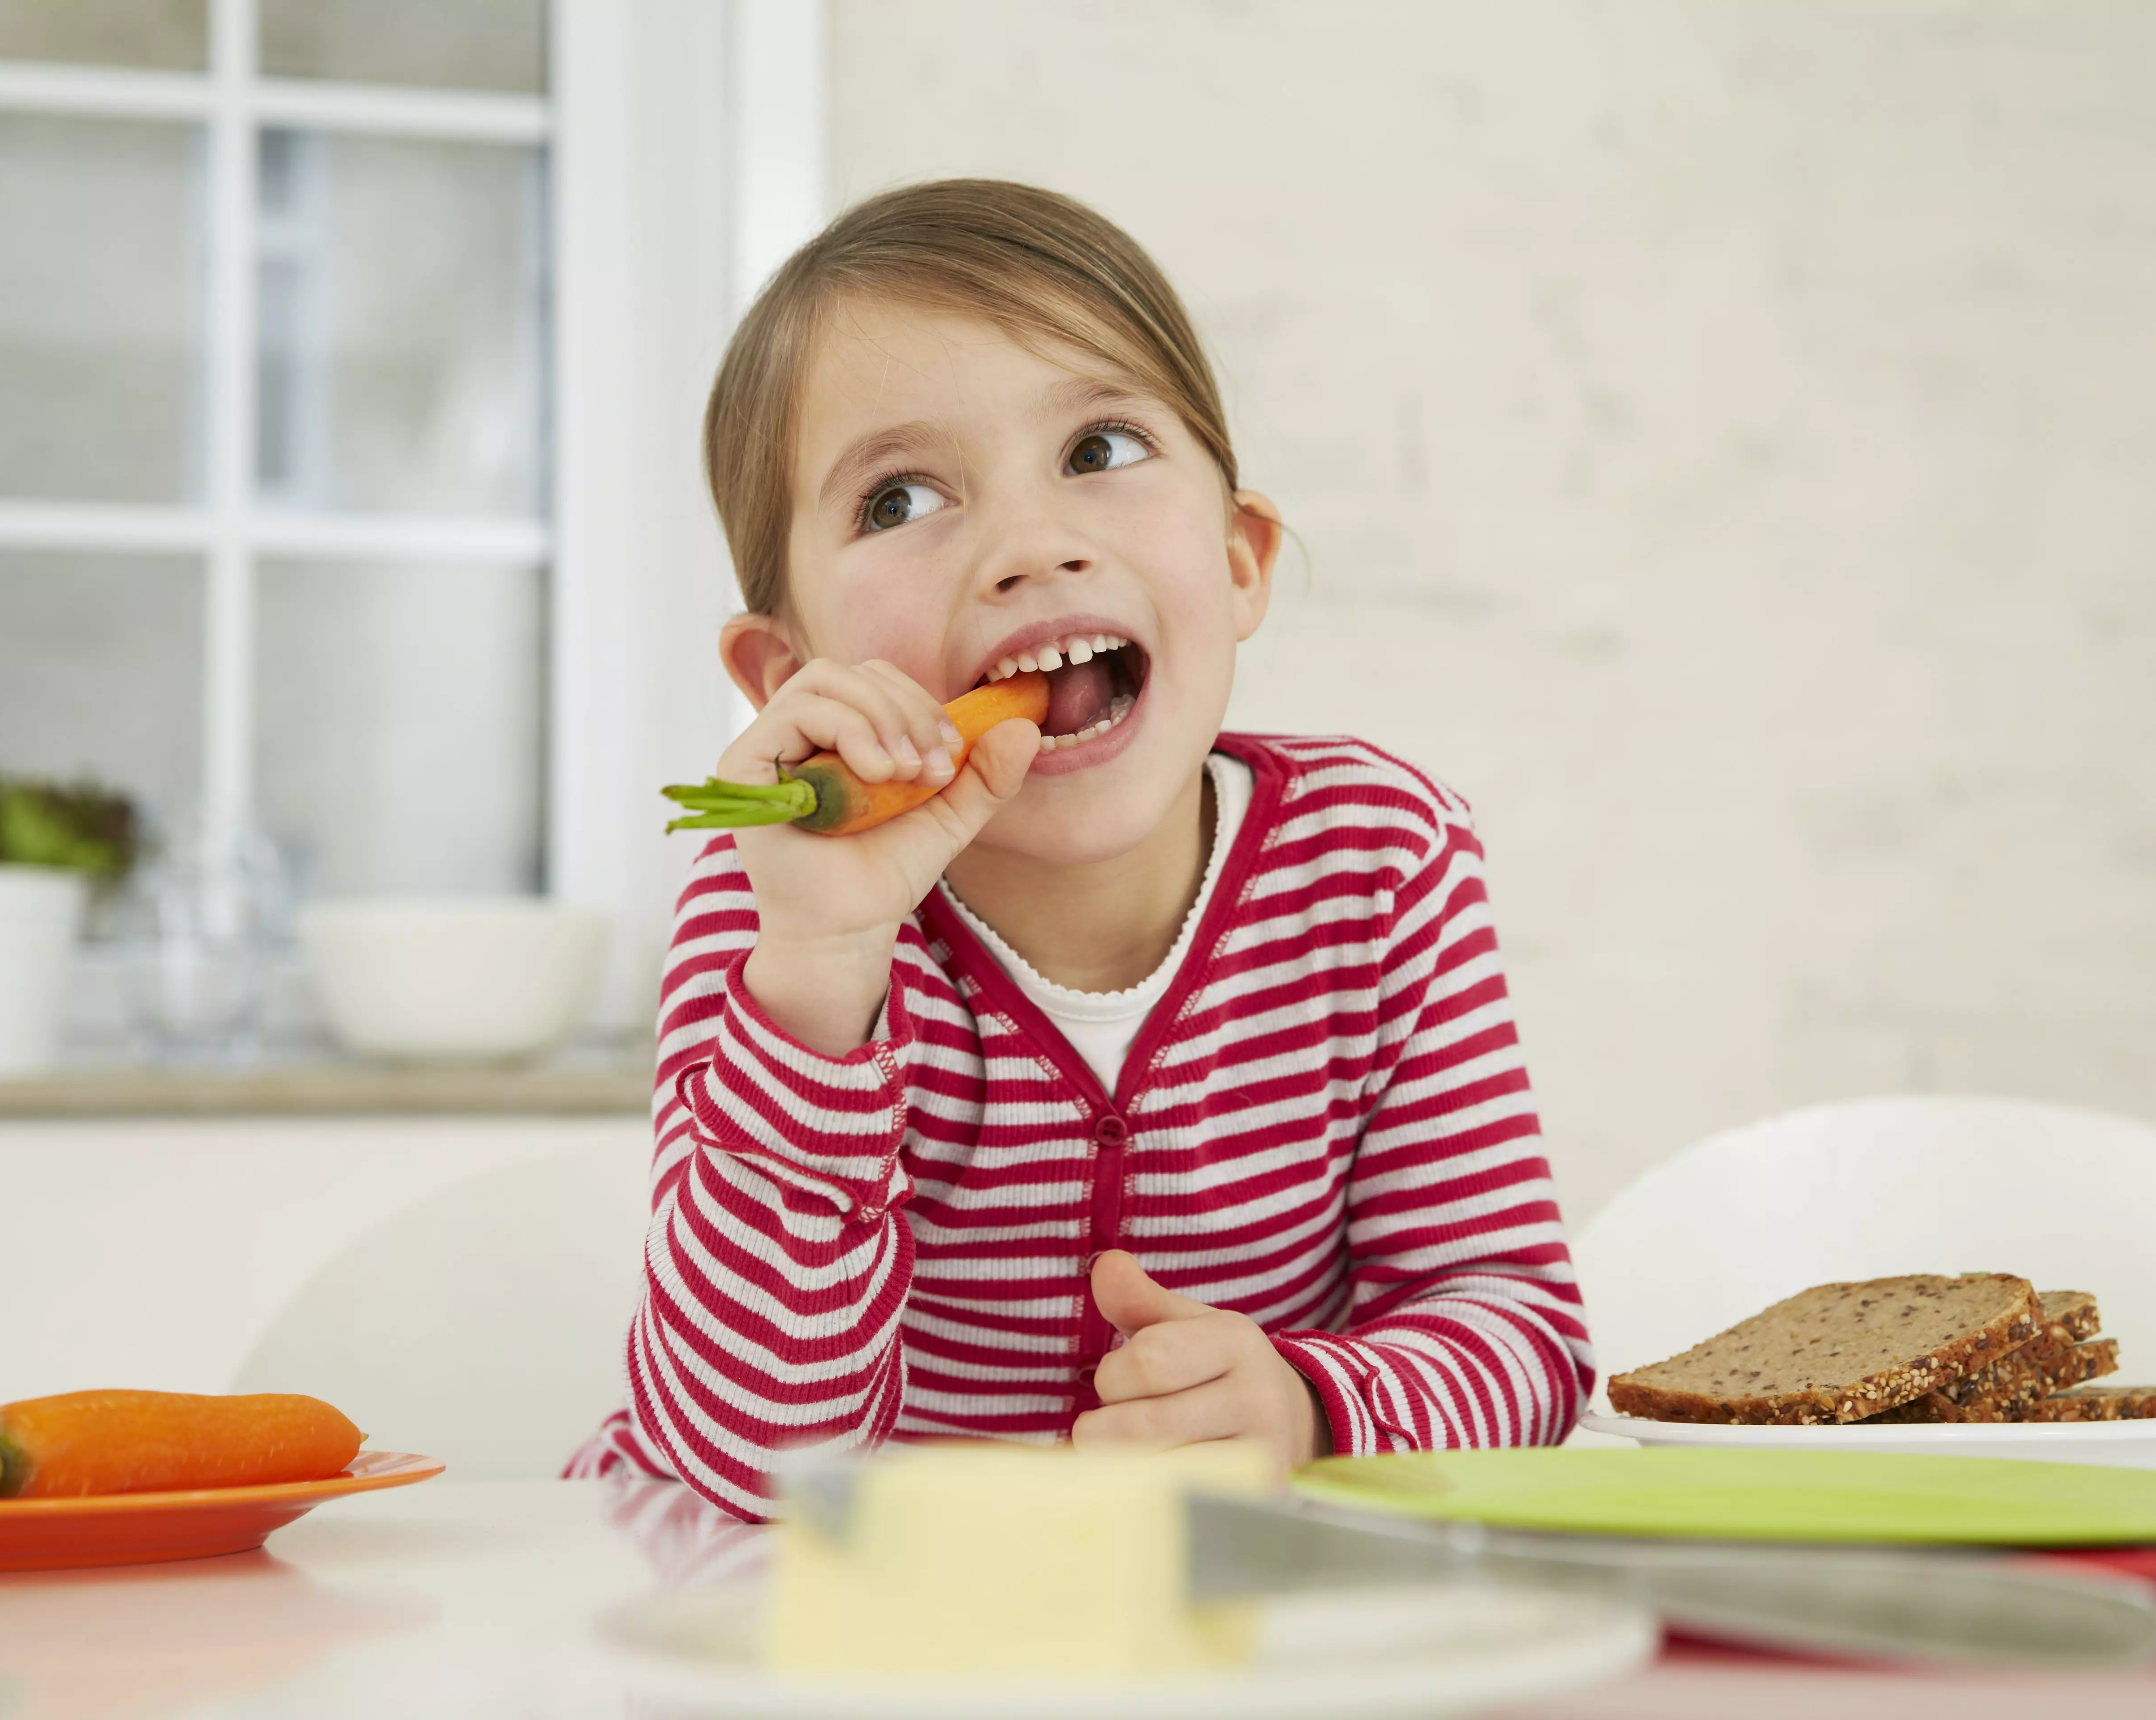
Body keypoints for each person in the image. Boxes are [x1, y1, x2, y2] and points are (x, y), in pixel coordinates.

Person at [569, 180, 1589, 1520]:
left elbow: (1520, 1333)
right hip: (852, 1643)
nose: (1029, 548)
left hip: (1224, 1634)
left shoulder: (1377, 860)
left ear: (1238, 563)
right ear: (788, 674)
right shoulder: (777, 914)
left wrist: (1310, 1406)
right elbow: (743, 1469)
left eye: (1100, 450)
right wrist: (823, 968)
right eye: (900, 498)